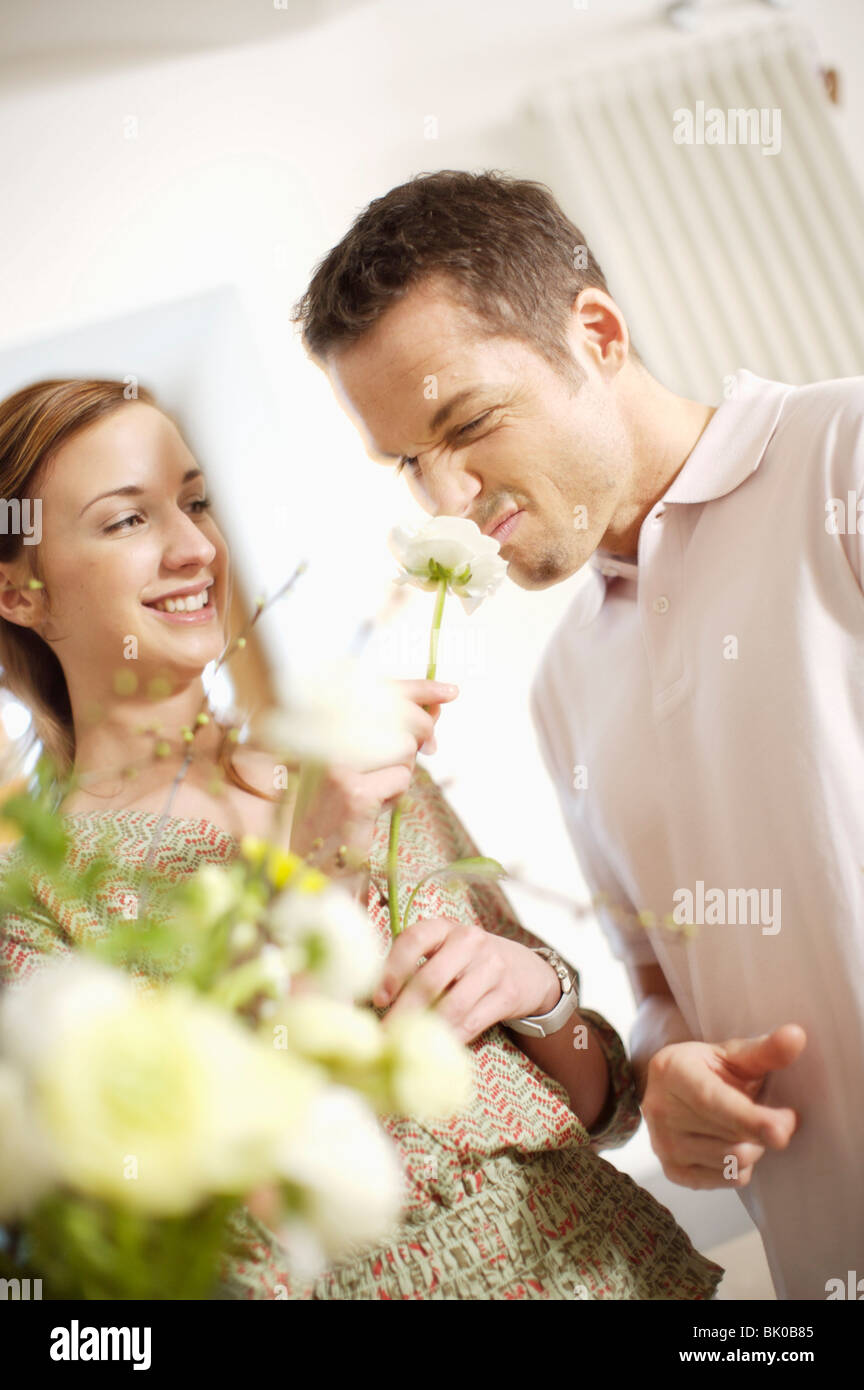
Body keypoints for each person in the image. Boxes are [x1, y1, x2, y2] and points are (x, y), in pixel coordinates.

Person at [0, 376, 723, 1300]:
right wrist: (314, 880)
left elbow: (600, 1105)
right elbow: (160, 1240)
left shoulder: (349, 752)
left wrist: (540, 996)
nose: (192, 549)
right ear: (20, 591)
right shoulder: (35, 893)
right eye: (126, 521)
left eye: (195, 502)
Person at [292, 167, 864, 1301]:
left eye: (467, 425)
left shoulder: (843, 455)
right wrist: (670, 1076)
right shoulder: (562, 684)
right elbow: (661, 988)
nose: (445, 496)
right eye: (407, 461)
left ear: (596, 334)